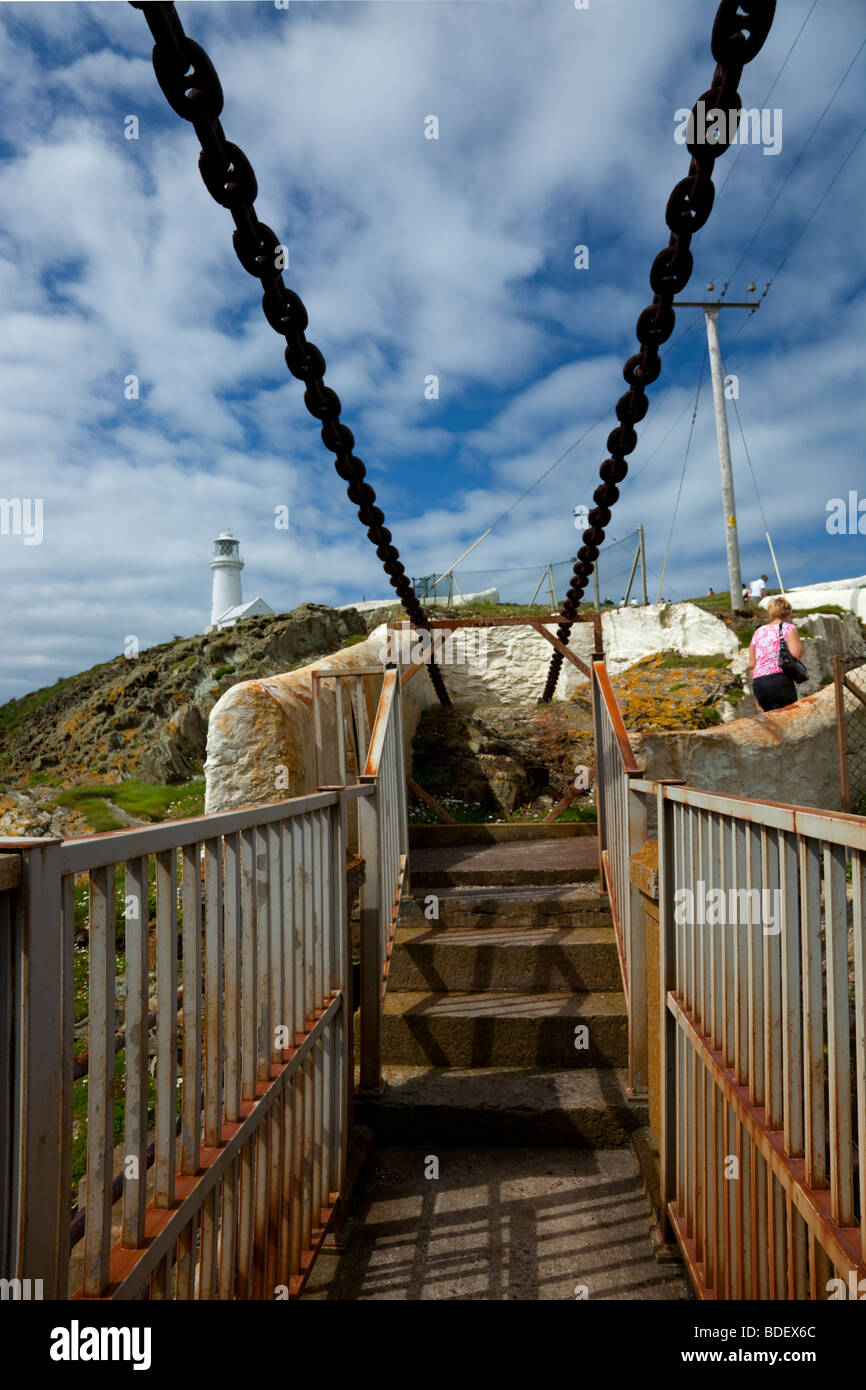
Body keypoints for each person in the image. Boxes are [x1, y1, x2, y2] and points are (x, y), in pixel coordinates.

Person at [749, 596, 804, 712]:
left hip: (759, 684)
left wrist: (756, 696)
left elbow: (752, 665)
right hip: (779, 680)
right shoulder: (788, 628)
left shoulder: (758, 632)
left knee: (771, 724)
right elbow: (795, 654)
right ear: (787, 612)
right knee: (787, 719)